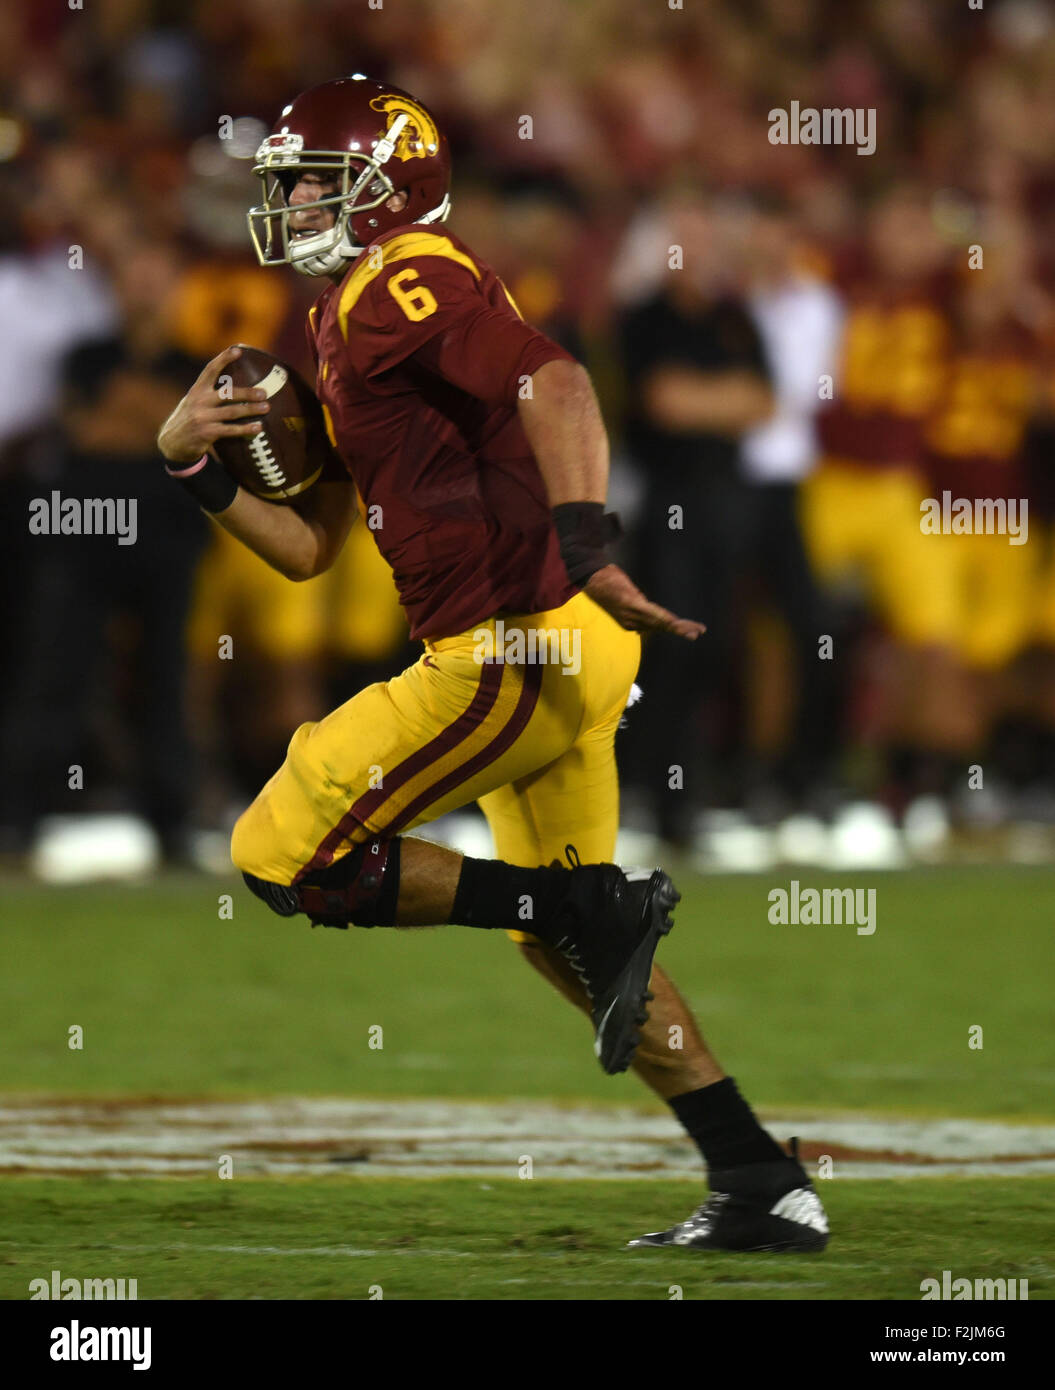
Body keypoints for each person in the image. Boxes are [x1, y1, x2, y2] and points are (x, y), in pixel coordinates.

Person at [156, 77, 828, 1253]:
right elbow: (312, 546)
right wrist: (196, 473)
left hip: (511, 643)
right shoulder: (347, 311)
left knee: (278, 852)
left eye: (315, 177)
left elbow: (555, 379)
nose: (295, 198)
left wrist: (586, 541)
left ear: (382, 186)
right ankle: (759, 1178)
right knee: (570, 943)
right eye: (291, 181)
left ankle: (579, 904)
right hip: (554, 653)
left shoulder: (401, 277)